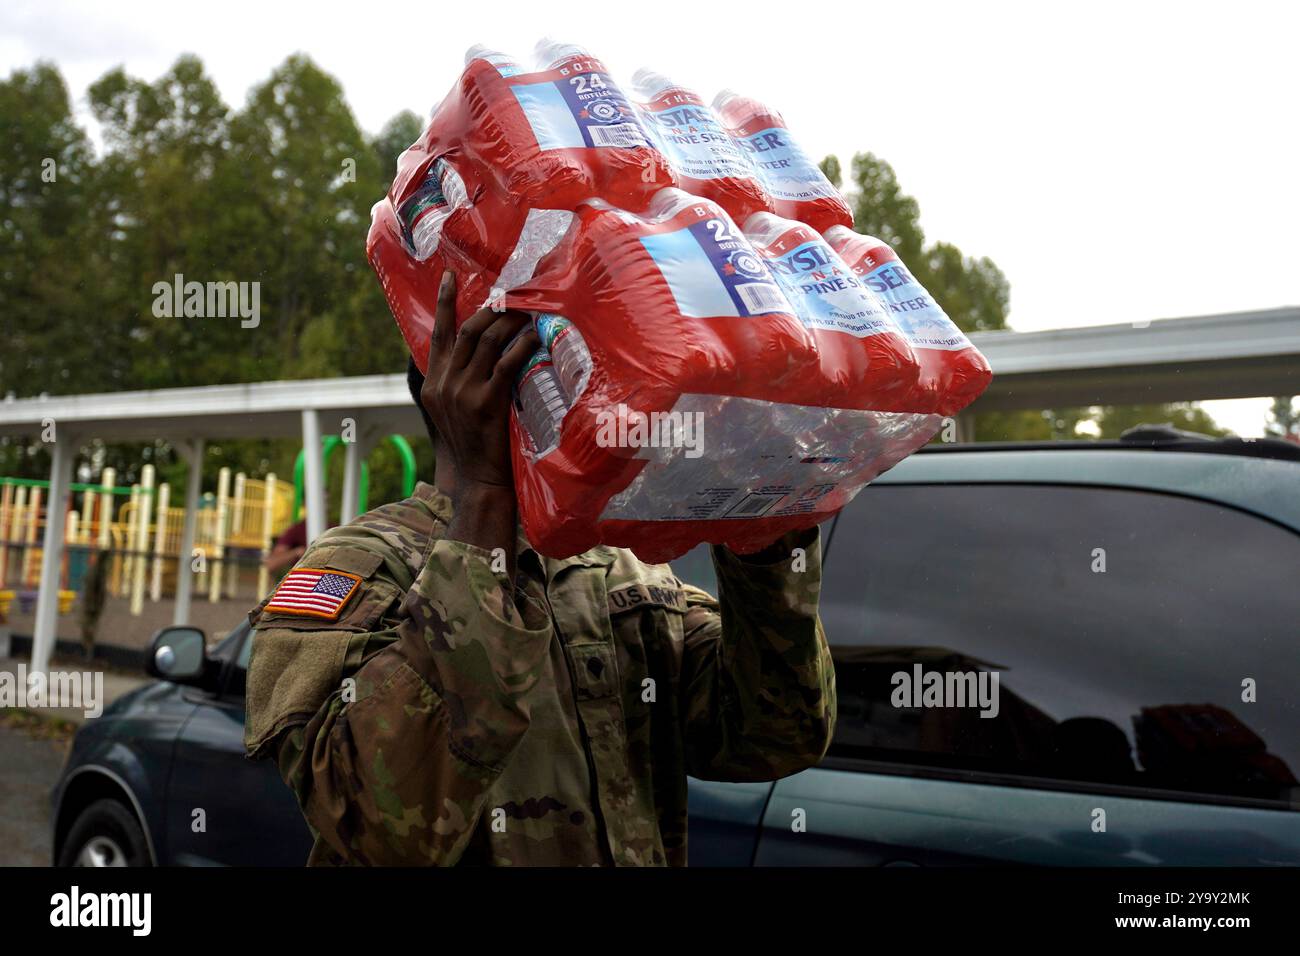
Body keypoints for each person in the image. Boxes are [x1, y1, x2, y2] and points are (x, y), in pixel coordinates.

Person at [243, 272, 836, 866]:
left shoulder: (626, 578)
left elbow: (772, 738)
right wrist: (482, 492)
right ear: (454, 387)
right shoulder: (360, 568)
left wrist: (763, 535)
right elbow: (377, 825)